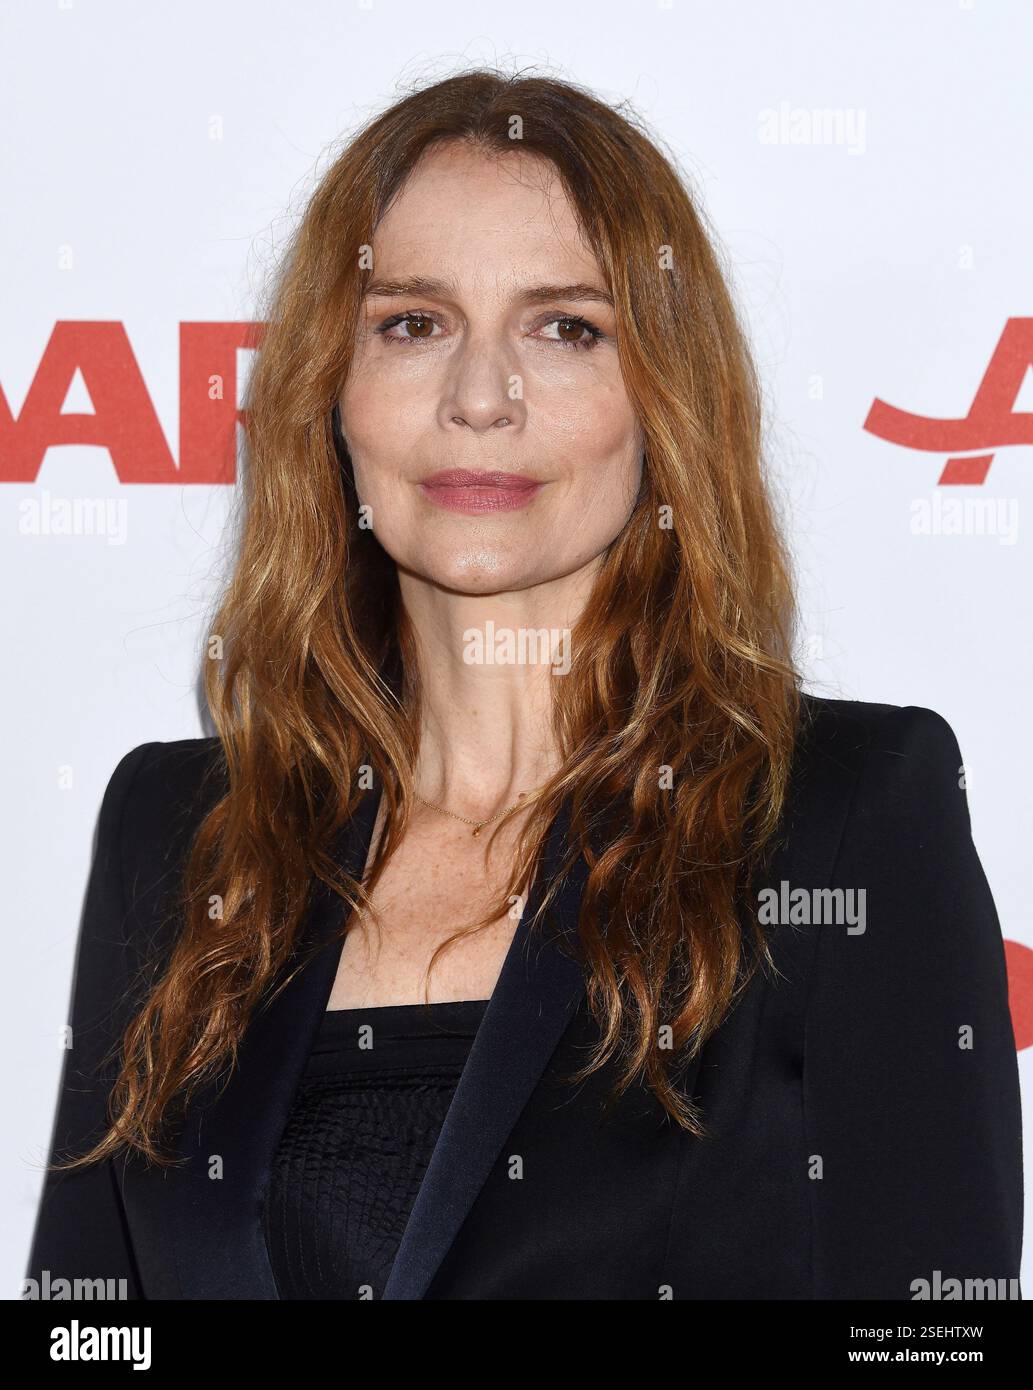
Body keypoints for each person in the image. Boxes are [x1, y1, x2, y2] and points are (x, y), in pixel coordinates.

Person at [26, 69, 1022, 1301]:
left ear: (663, 401)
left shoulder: (842, 813)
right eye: (411, 322)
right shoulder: (182, 834)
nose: (480, 399)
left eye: (566, 328)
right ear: (330, 398)